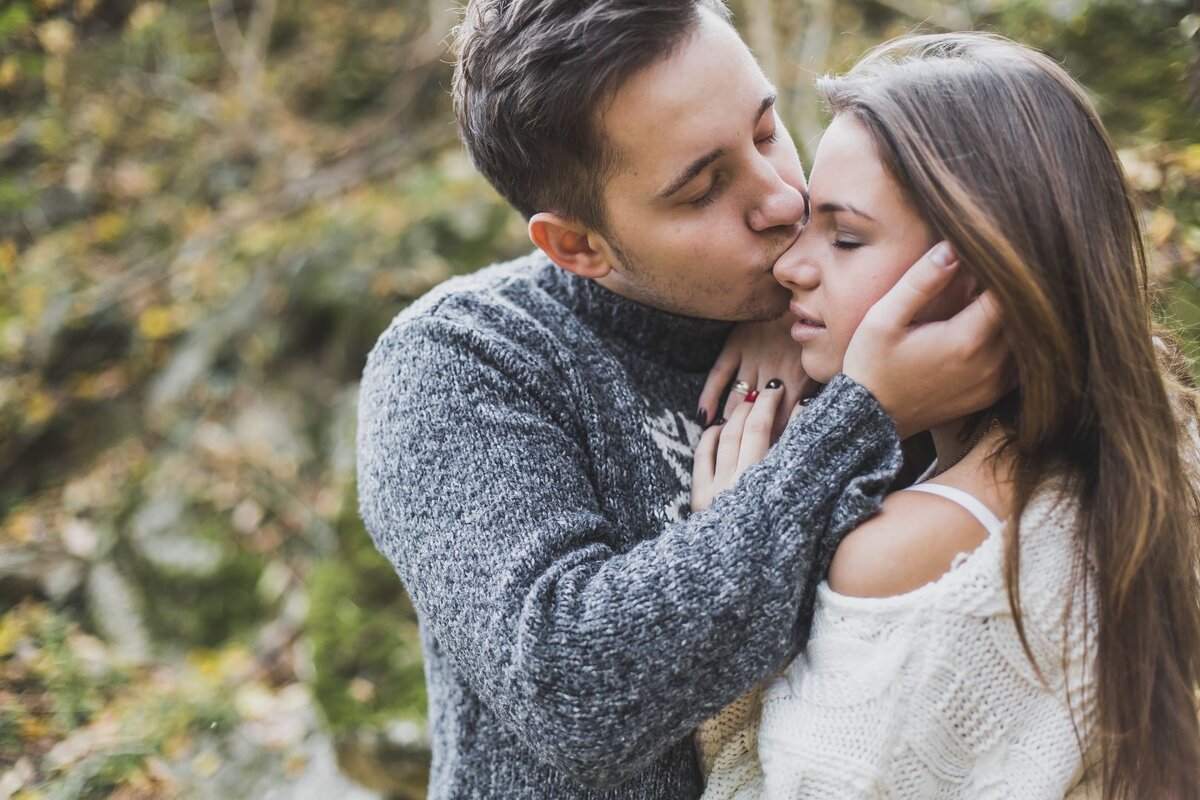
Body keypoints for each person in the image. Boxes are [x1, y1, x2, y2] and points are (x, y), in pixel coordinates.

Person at [355, 3, 1007, 798]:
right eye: (703, 189)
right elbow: (570, 690)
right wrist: (859, 419)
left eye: (767, 131)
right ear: (578, 246)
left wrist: (798, 322)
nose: (782, 203)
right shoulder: (466, 360)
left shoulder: (849, 296)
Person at [692, 32, 1200, 800]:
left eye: (847, 235)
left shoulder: (909, 556)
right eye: (807, 224)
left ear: (988, 276)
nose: (789, 265)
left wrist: (727, 560)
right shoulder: (1162, 448)